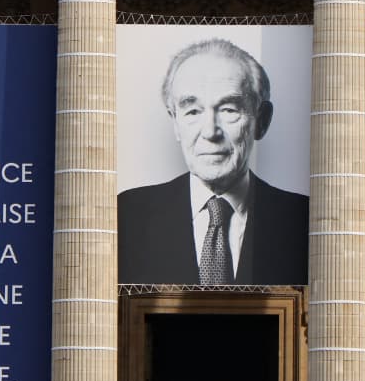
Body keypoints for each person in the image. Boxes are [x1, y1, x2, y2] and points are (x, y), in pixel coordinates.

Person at [116, 39, 308, 286]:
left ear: (262, 120)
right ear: (175, 123)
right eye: (193, 112)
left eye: (229, 109)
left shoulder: (303, 219)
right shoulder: (126, 215)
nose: (210, 132)